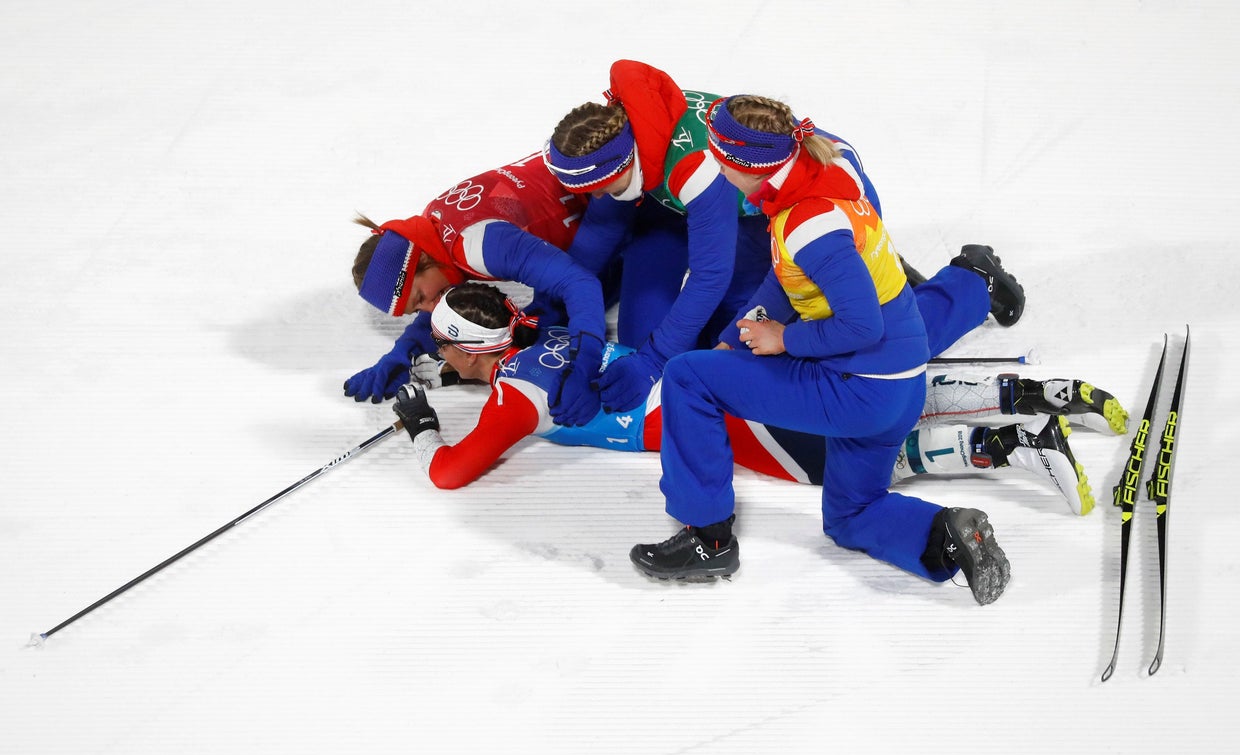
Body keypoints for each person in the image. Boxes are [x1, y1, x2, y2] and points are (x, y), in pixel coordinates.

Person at [633, 94, 1023, 604]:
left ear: (740, 165)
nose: (708, 160)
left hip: (857, 388)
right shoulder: (820, 173)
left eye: (715, 152)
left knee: (688, 376)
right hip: (895, 388)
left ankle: (706, 539)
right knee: (850, 515)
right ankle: (945, 533)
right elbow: (786, 274)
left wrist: (783, 339)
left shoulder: (808, 225)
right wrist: (740, 333)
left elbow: (860, 326)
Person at [389, 284, 1124, 521]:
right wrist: (456, 377)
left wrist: (421, 428)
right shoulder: (547, 336)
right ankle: (1032, 393)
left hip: (722, 423)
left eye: (441, 348)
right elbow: (506, 362)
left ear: (472, 349)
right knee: (870, 396)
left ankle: (1012, 443)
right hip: (725, 376)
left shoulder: (514, 401)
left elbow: (451, 473)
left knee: (846, 464)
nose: (437, 358)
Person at [544, 60, 1025, 413]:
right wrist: (547, 310)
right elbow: (601, 228)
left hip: (816, 212)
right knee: (710, 340)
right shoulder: (625, 132)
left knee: (858, 344)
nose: (597, 197)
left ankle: (969, 284)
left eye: (597, 187)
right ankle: (876, 272)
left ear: (628, 162)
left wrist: (653, 361)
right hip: (757, 202)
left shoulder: (701, 172)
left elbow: (711, 275)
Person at [342, 151, 608, 426]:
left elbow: (580, 283)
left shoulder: (478, 244)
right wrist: (403, 351)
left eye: (421, 297)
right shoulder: (429, 229)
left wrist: (585, 362)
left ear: (422, 260)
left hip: (622, 201)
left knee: (546, 318)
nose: (430, 309)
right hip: (588, 182)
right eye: (416, 309)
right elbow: (442, 301)